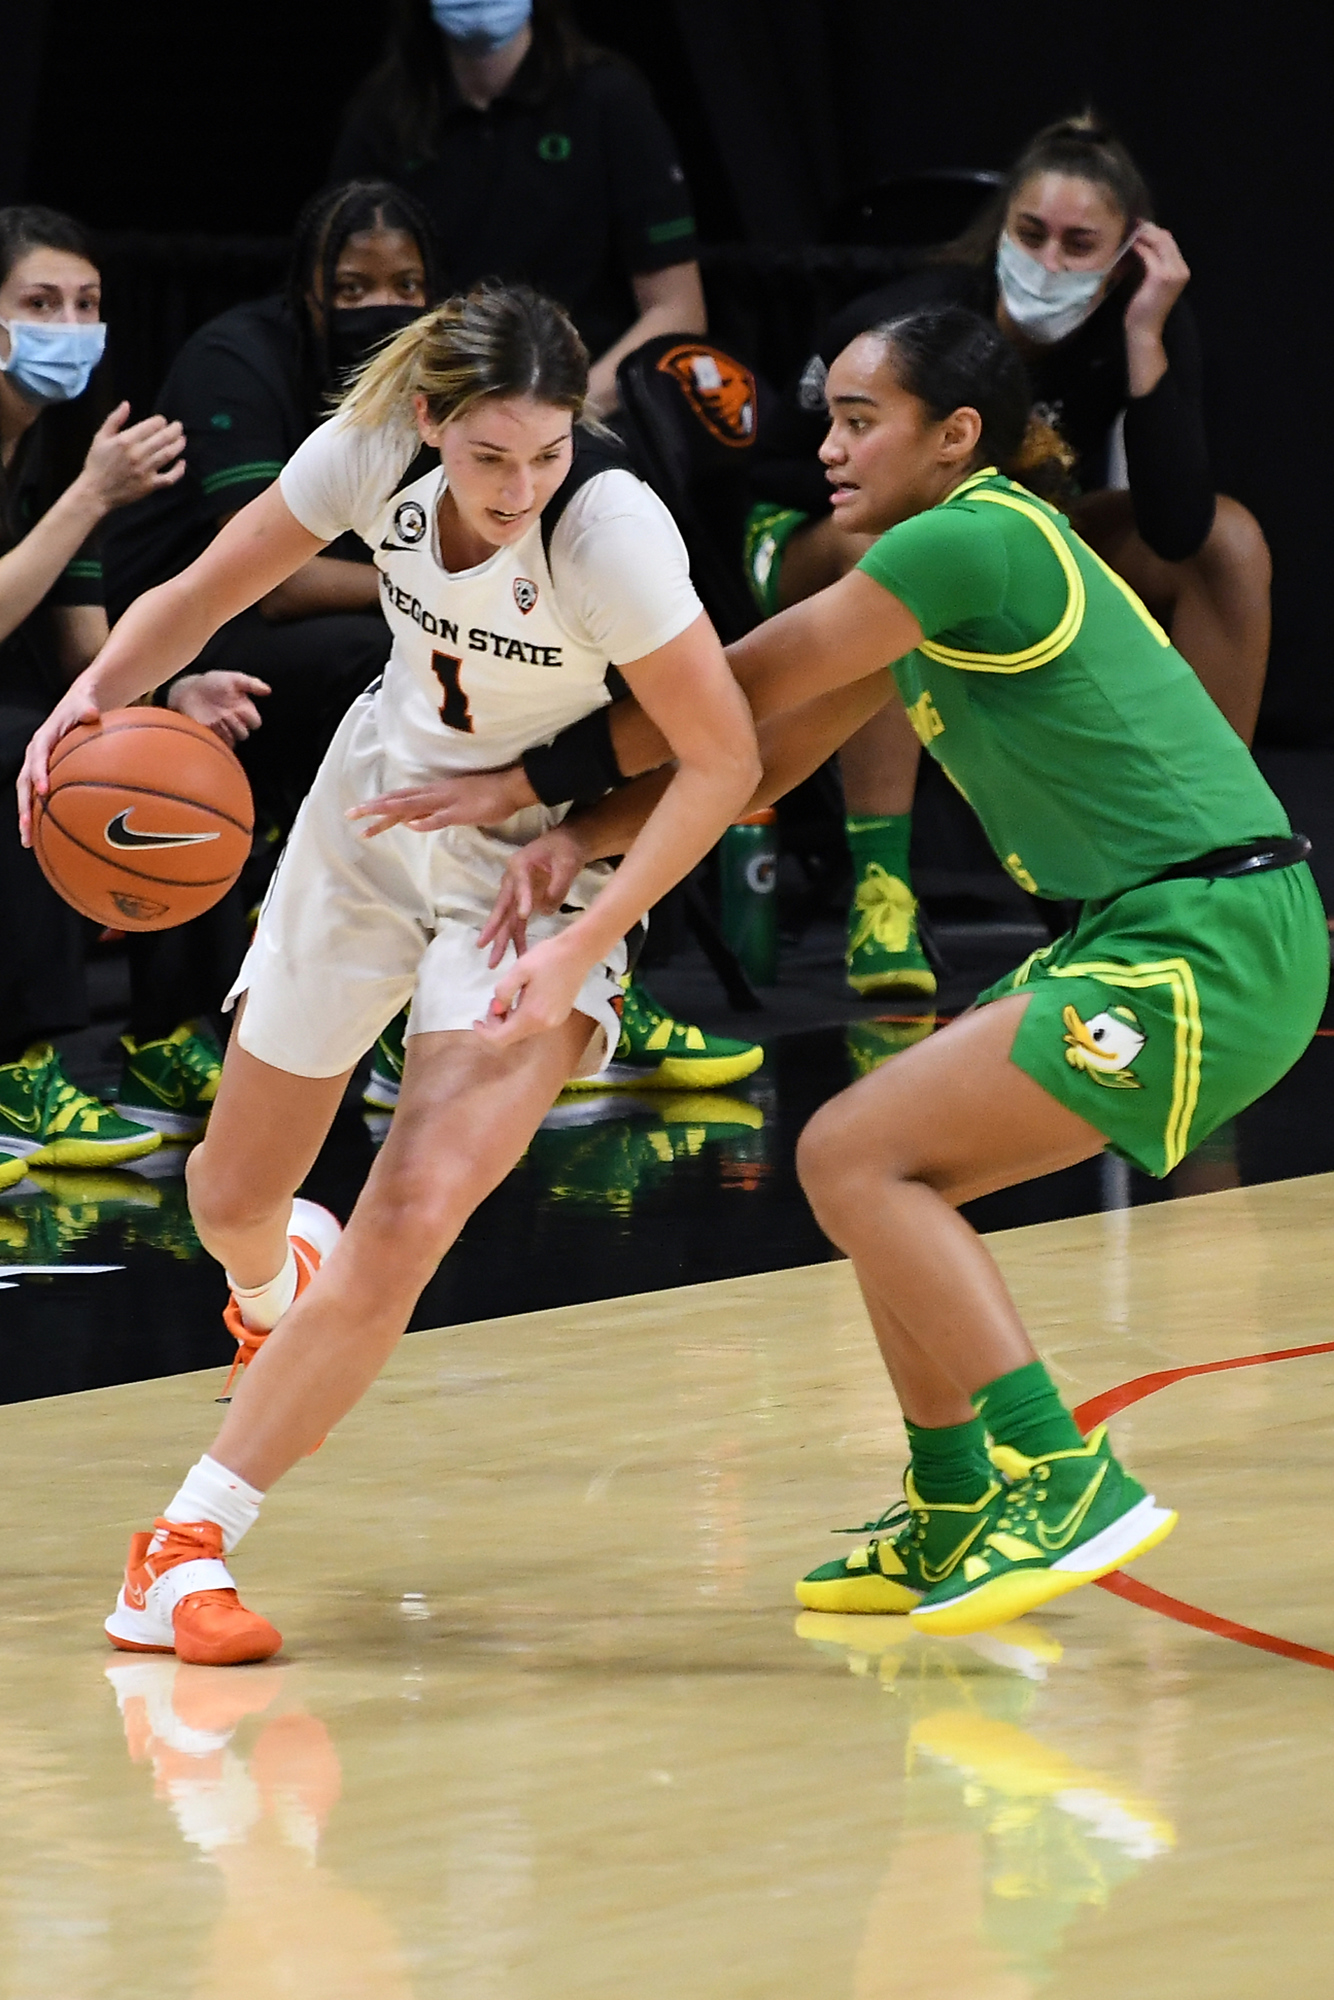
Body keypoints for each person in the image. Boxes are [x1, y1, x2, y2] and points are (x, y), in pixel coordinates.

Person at [463, 304, 1326, 1636]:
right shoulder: (936, 578)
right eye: (828, 419)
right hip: (1150, 931)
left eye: (860, 422)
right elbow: (750, 764)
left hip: (1206, 938)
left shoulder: (967, 538)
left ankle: (1063, 1476)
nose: (827, 448)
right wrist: (575, 838)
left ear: (954, 437)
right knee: (882, 1176)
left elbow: (735, 680)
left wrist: (529, 771)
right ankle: (949, 1504)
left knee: (847, 1155)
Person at [18, 281, 760, 1664]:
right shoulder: (366, 448)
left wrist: (586, 945)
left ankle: (180, 1549)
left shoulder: (611, 531)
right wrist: (87, 702)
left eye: (545, 454)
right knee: (229, 1192)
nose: (517, 487)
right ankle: (270, 1286)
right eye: (488, 458)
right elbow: (201, 593)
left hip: (541, 862)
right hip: (377, 802)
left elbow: (721, 757)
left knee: (412, 1210)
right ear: (430, 423)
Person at [746, 113, 1271, 1000]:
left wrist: (1147, 336)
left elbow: (1176, 527)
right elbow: (778, 459)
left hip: (1022, 537)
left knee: (1228, 539)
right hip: (826, 533)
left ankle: (1205, 867)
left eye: (1079, 244)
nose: (1050, 263)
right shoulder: (899, 326)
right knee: (901, 543)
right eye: (1030, 235)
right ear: (1000, 232)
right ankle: (882, 890)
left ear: (1125, 256)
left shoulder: (1142, 319)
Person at [101, 179, 444, 1137]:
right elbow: (278, 584)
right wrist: (444, 595)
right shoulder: (234, 360)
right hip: (178, 626)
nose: (387, 306)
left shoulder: (440, 383)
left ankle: (423, 991)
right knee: (396, 655)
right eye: (357, 284)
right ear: (307, 291)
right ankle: (186, 1028)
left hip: (296, 633)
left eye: (410, 284)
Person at [0, 204, 188, 1182]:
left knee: (153, 751)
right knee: (24, 746)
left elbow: (86, 643)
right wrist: (91, 496)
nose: (68, 325)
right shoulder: (77, 477)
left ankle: (169, 1036)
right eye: (40, 303)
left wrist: (171, 699)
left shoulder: (45, 451)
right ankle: (19, 1069)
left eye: (87, 304)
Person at [331, 0, 707, 420]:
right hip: (437, 411)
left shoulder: (610, 102)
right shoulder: (382, 117)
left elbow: (677, 310)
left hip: (586, 408)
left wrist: (566, 418)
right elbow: (351, 308)